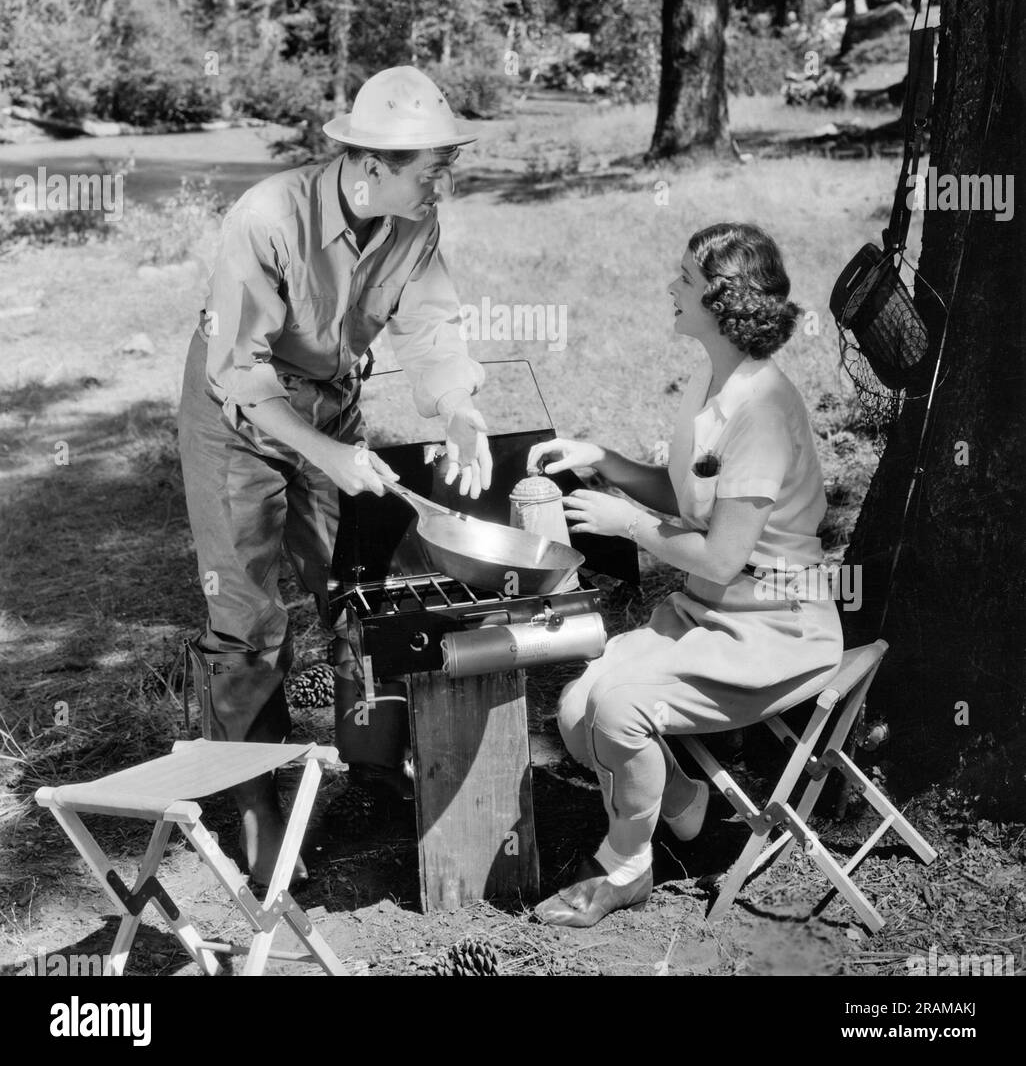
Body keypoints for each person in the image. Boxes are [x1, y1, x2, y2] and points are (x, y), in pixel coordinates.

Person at [177, 65, 492, 883]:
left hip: (328, 403)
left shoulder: (415, 218)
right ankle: (257, 805)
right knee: (248, 619)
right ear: (372, 164)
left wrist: (457, 408)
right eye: (433, 167)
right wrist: (325, 455)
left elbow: (430, 330)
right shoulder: (268, 218)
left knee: (361, 585)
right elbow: (240, 374)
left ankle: (376, 767)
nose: (444, 182)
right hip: (235, 412)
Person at [528, 222, 843, 927]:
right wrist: (604, 458)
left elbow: (724, 554)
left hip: (776, 628)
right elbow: (693, 501)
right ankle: (684, 802)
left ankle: (626, 866)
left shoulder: (761, 409)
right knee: (577, 711)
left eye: (685, 280)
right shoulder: (713, 378)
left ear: (723, 302)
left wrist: (629, 525)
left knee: (620, 709)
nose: (671, 288)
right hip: (711, 610)